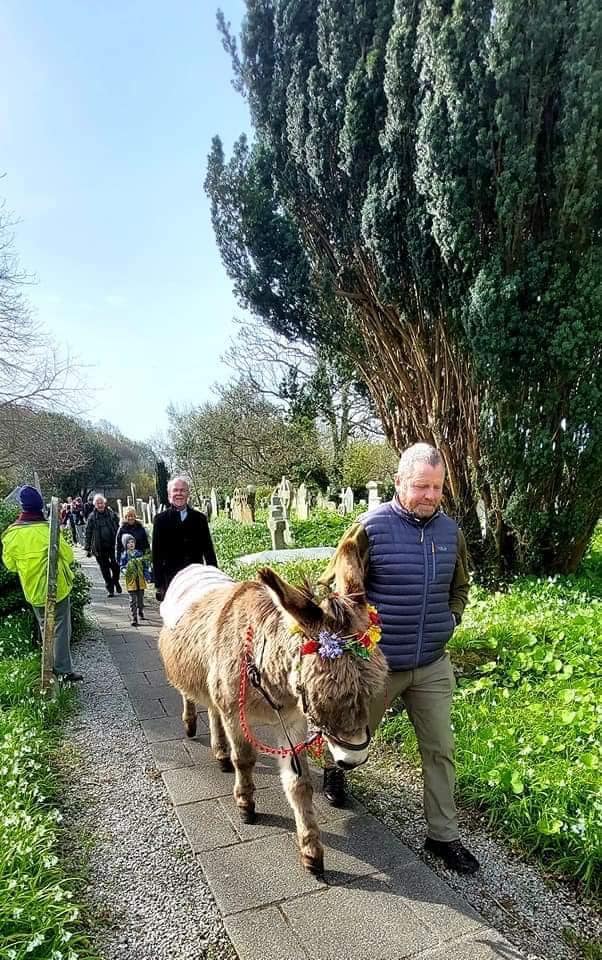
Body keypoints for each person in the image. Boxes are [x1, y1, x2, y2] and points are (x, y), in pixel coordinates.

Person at [319, 442, 479, 875]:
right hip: (379, 665)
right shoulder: (368, 529)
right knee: (353, 732)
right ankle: (337, 770)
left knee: (440, 748)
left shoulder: (451, 533)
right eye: (421, 486)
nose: (430, 496)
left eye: (437, 488)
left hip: (431, 663)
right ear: (400, 483)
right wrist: (356, 640)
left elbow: (460, 586)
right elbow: (339, 590)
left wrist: (452, 618)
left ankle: (442, 836)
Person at [1, 485, 82, 682]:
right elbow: (69, 556)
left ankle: (48, 665)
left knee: (45, 625)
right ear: (39, 507)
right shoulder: (49, 529)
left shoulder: (11, 534)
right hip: (57, 589)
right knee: (61, 628)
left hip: (33, 590)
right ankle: (62, 670)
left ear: (22, 508)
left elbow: (10, 565)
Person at [151, 477, 217, 601]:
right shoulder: (160, 520)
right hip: (171, 578)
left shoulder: (200, 519)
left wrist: (214, 575)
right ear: (169, 494)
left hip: (195, 577)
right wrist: (159, 584)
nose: (179, 494)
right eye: (175, 490)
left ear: (188, 494)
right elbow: (156, 553)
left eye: (183, 490)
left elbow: (208, 550)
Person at [85, 494, 122, 597]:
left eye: (101, 503)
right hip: (99, 547)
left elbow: (119, 527)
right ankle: (110, 588)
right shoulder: (92, 517)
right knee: (104, 569)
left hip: (113, 545)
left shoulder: (111, 514)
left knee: (116, 566)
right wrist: (87, 548)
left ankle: (115, 581)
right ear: (95, 505)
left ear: (104, 503)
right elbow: (88, 532)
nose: (100, 505)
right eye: (98, 503)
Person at [119, 534, 149, 626]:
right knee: (133, 601)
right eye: (128, 543)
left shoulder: (139, 553)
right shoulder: (124, 555)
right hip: (131, 581)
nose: (131, 544)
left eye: (132, 542)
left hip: (140, 580)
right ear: (125, 545)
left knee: (140, 600)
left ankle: (140, 611)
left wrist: (147, 576)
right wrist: (124, 571)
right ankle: (134, 618)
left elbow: (145, 566)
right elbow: (122, 566)